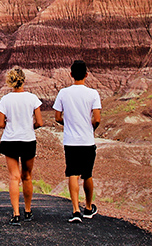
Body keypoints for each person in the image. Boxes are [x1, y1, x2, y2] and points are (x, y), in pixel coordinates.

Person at [53, 60, 101, 223]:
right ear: (86, 74)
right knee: (87, 175)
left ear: (71, 74)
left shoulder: (63, 93)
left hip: (70, 141)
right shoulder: (93, 94)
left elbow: (58, 117)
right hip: (87, 141)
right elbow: (97, 118)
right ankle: (88, 208)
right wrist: (89, 127)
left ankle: (75, 210)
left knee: (72, 173)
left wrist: (69, 123)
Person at [0, 67, 43, 226]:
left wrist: (12, 124)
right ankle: (28, 211)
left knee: (14, 177)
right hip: (28, 140)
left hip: (10, 141)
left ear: (10, 81)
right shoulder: (32, 98)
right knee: (27, 176)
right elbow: (40, 122)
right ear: (23, 80)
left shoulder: (5, 99)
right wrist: (29, 126)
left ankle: (16, 213)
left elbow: (0, 124)